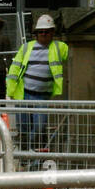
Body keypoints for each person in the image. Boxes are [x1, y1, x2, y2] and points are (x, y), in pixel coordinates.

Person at [6, 14, 69, 152]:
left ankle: (33, 154)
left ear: (53, 32)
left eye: (47, 31)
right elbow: (14, 69)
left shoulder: (59, 48)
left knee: (39, 127)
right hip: (24, 93)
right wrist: (11, 91)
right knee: (23, 127)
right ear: (36, 34)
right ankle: (24, 155)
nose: (44, 34)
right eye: (41, 32)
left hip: (42, 96)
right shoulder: (26, 48)